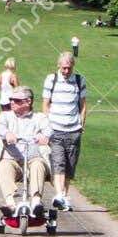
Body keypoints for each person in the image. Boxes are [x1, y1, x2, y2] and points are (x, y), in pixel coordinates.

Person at [41, 51, 86, 212]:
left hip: (74, 129)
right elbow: (45, 104)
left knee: (69, 166)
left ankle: (64, 196)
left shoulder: (79, 81)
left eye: (69, 68)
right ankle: (59, 194)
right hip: (56, 129)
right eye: (63, 68)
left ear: (73, 66)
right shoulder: (51, 80)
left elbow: (82, 105)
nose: (66, 71)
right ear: (58, 66)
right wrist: (48, 125)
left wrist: (81, 124)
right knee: (58, 163)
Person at [0, 86, 51, 211]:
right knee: (3, 165)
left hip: (32, 159)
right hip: (13, 160)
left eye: (17, 100)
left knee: (38, 164)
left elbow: (48, 129)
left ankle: (36, 202)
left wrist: (43, 136)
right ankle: (10, 203)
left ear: (28, 101)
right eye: (11, 99)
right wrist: (7, 134)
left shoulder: (39, 117)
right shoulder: (5, 116)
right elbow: (1, 128)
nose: (12, 102)